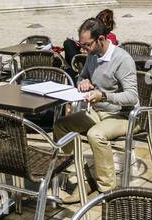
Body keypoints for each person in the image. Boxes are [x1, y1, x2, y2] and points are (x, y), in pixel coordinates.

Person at [53, 16, 139, 194]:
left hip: (122, 115)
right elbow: (82, 76)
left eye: (87, 45)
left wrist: (104, 95)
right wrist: (83, 81)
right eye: (81, 45)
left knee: (95, 134)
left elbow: (132, 96)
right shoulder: (92, 55)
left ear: (101, 39)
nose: (83, 50)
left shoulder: (122, 59)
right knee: (61, 125)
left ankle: (107, 189)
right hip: (98, 111)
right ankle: (74, 172)